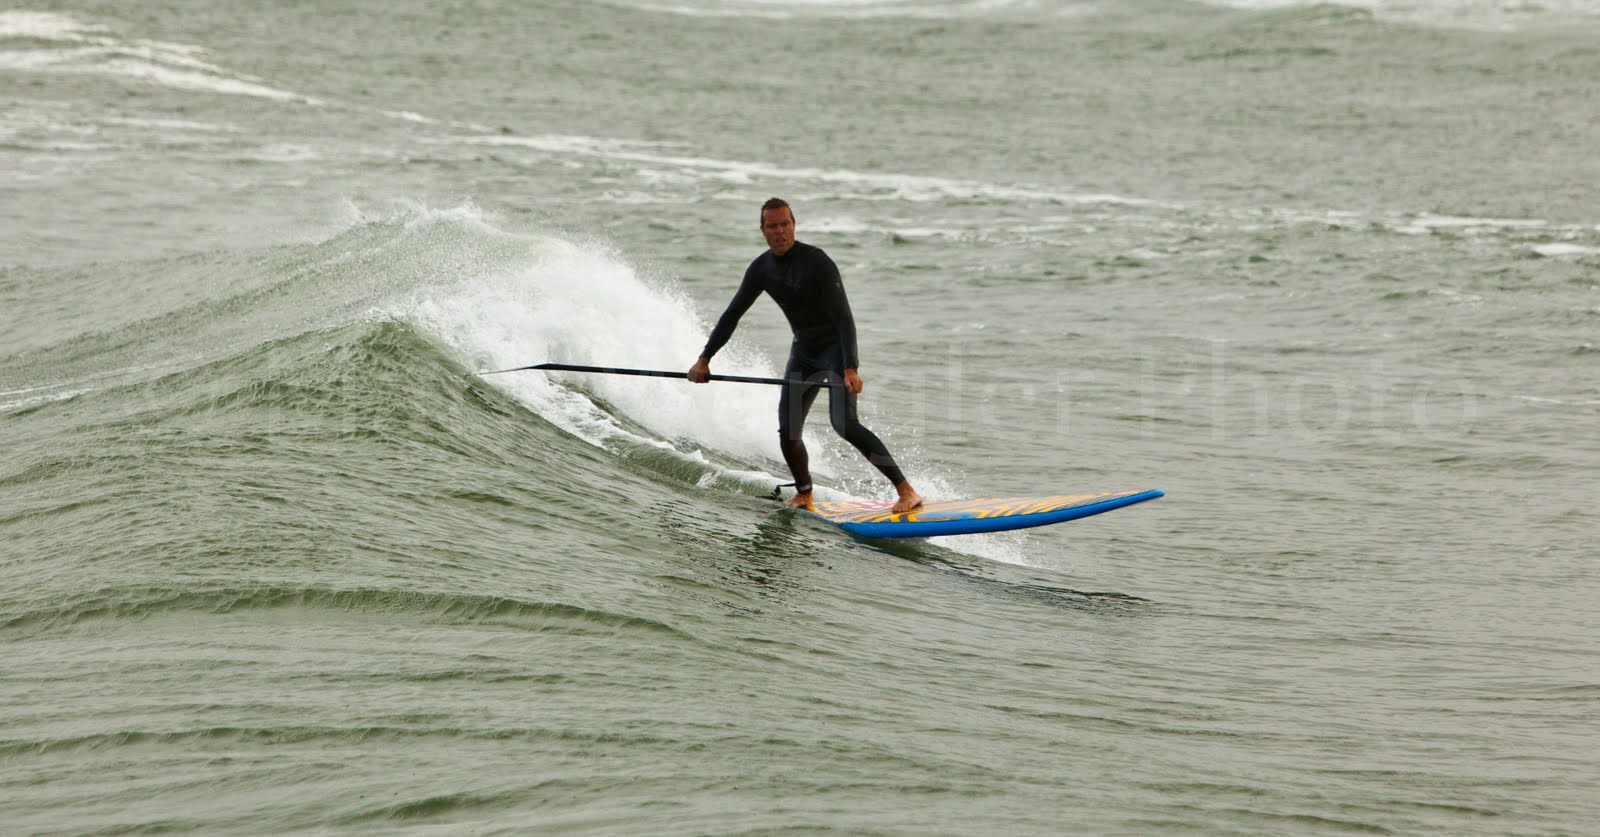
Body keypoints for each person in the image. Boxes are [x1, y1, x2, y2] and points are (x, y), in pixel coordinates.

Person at [689, 198, 923, 513]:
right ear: (762, 230)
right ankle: (804, 493)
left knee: (844, 424)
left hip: (835, 352)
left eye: (785, 224)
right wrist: (705, 359)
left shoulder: (817, 261)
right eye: (772, 226)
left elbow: (844, 317)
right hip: (803, 352)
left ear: (794, 225)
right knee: (788, 430)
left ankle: (906, 491)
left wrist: (850, 367)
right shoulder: (761, 269)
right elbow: (732, 316)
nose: (779, 231)